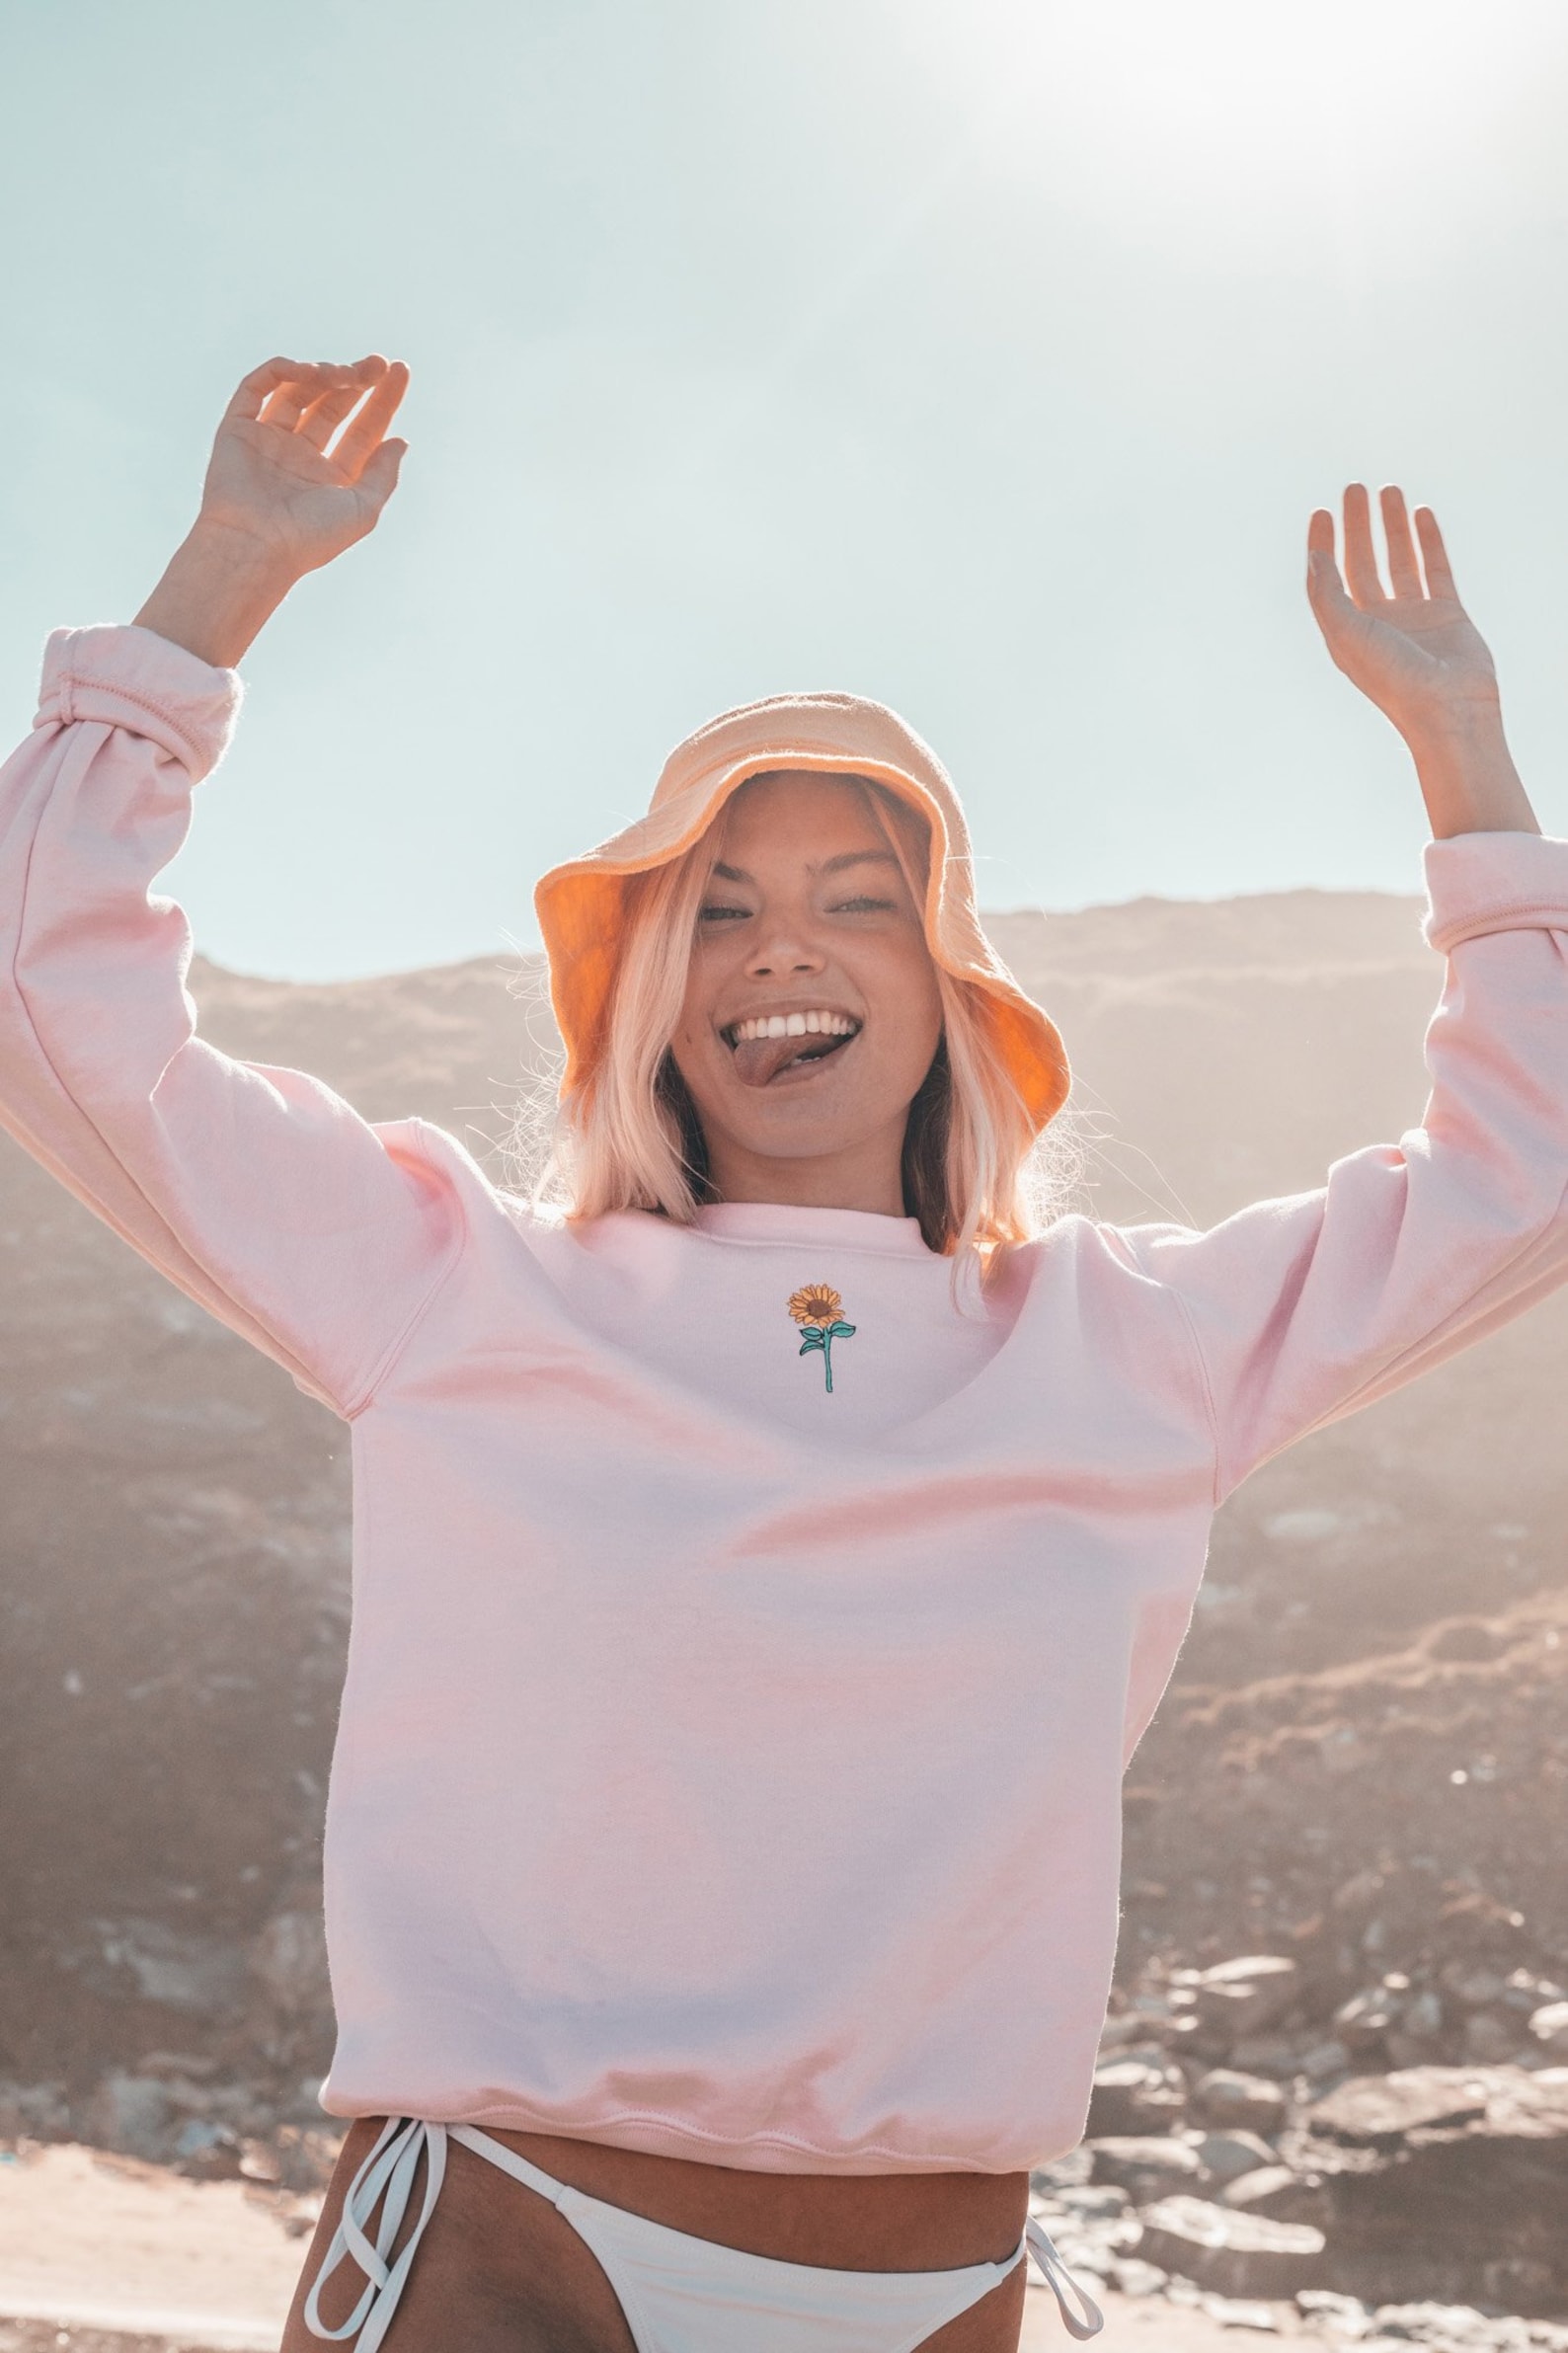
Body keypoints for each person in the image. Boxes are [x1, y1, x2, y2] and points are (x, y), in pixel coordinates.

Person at [0, 354, 1563, 2353]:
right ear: (651, 982)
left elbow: (1524, 1178)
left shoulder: (1127, 1340)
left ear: (945, 983)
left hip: (924, 2288)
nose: (779, 950)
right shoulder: (457, 1283)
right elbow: (49, 993)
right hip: (507, 2236)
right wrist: (213, 590)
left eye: (853, 902)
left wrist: (1458, 747)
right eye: (715, 907)